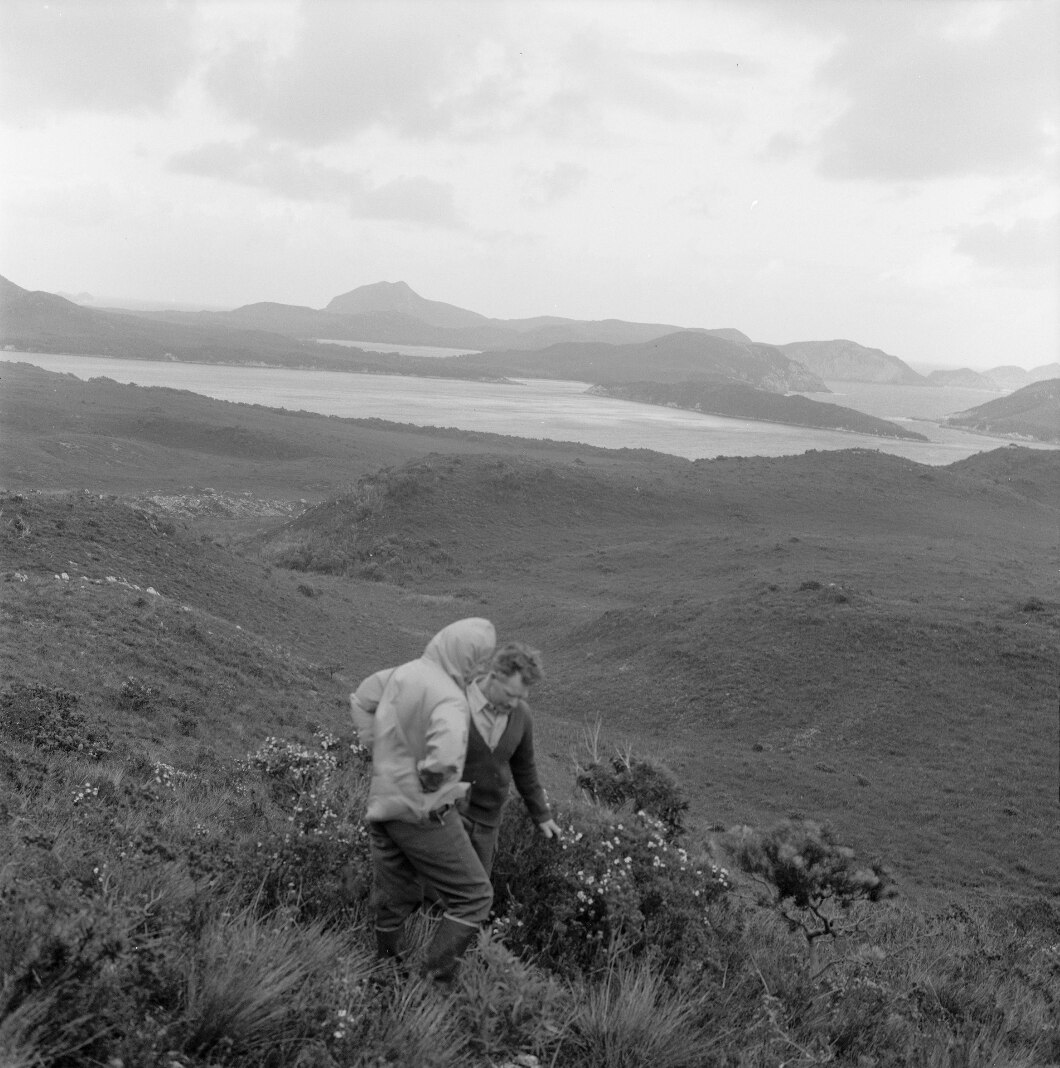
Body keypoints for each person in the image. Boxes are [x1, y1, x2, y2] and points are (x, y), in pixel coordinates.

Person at [348, 617, 496, 982]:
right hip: (422, 811)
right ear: (465, 656)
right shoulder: (449, 695)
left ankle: (386, 972)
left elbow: (361, 699)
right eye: (479, 659)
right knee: (475, 897)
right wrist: (435, 780)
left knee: (396, 895)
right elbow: (444, 759)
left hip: (384, 804)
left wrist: (380, 751)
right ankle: (435, 984)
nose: (481, 669)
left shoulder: (402, 672)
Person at [459, 641, 562, 875]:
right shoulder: (455, 703)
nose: (514, 703)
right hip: (449, 819)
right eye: (510, 694)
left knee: (476, 899)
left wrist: (542, 814)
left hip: (487, 824)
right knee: (438, 896)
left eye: (521, 697)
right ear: (493, 676)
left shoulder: (521, 715)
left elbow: (525, 769)